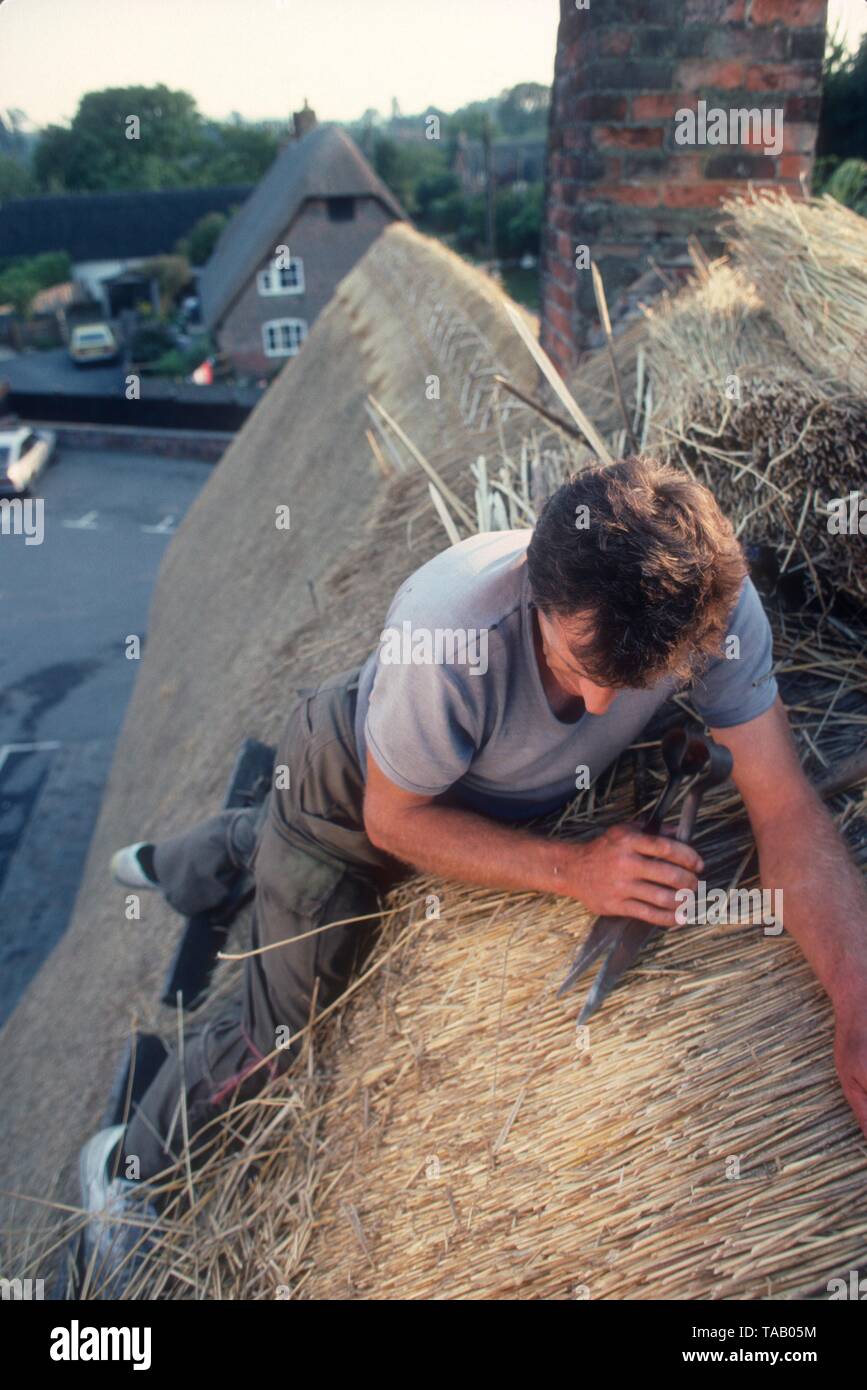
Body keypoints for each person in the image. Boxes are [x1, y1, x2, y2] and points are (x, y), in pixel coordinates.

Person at [79, 455, 867, 1282]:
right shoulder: (448, 627)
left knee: (267, 838)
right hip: (351, 790)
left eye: (632, 685)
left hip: (464, 769)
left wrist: (854, 1001)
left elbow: (781, 807)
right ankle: (125, 1172)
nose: (596, 710)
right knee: (281, 1023)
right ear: (534, 583)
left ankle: (174, 864)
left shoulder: (711, 605)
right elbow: (393, 821)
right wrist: (573, 871)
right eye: (573, 668)